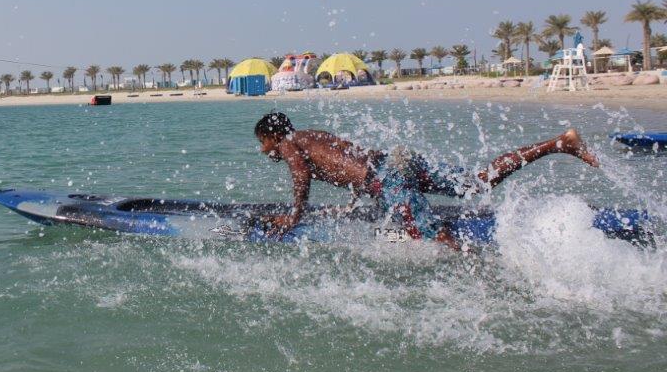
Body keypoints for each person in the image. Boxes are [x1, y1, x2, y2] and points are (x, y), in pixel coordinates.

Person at [254, 112, 599, 247]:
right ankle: (559, 143)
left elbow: (301, 178)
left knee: (436, 236)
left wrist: (294, 215)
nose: (263, 150)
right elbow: (352, 165)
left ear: (273, 136)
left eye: (262, 142)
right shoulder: (314, 136)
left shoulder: (289, 144)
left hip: (388, 178)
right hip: (396, 163)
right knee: (478, 182)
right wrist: (351, 205)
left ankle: (484, 276)